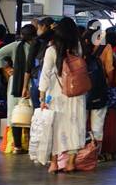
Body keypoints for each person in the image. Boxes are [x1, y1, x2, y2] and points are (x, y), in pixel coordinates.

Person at [38, 18, 89, 174]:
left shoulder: (51, 50)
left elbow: (45, 74)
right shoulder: (78, 48)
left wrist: (41, 96)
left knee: (56, 127)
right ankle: (71, 163)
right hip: (76, 93)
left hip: (57, 93)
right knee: (75, 126)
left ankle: (54, 164)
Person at [0, 24, 39, 154]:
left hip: (16, 82)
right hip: (34, 82)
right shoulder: (39, 46)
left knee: (15, 114)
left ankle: (17, 146)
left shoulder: (15, 46)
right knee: (34, 114)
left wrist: (7, 68)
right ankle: (31, 144)